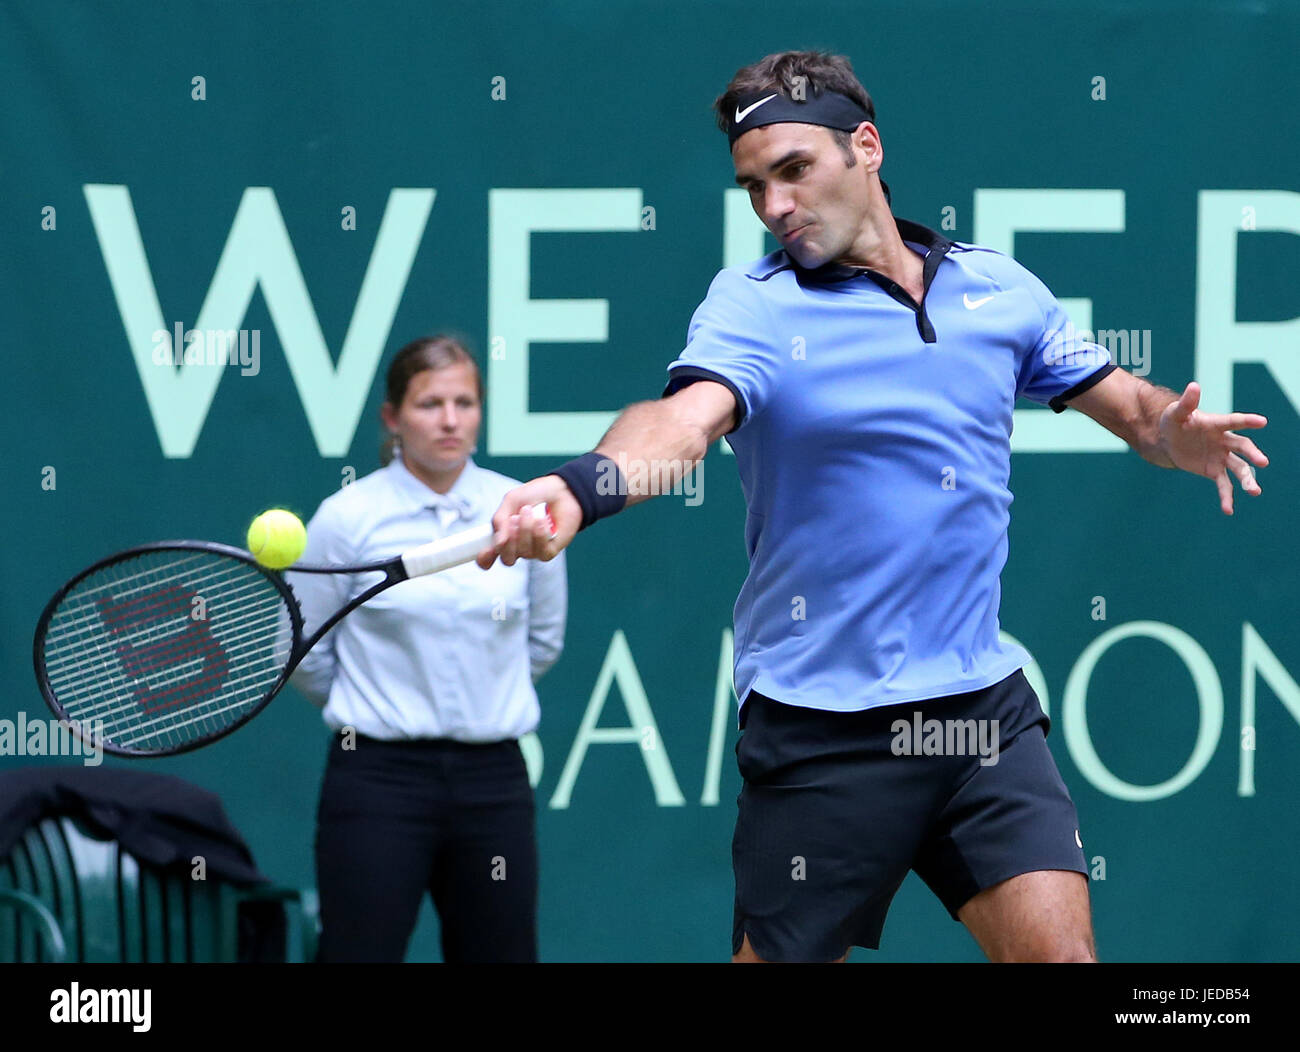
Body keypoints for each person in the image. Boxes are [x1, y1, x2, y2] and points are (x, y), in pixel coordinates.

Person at [474, 50, 1270, 963]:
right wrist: (583, 489)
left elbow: (1134, 411)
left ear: (866, 146)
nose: (775, 206)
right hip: (823, 731)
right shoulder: (756, 307)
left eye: (794, 171)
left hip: (978, 713)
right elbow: (682, 426)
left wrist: (1178, 435)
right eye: (753, 186)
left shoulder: (998, 290)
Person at [288, 335, 567, 963]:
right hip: (377, 781)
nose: (449, 420)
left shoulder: (521, 509)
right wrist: (379, 707)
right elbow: (306, 650)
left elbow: (542, 642)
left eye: (465, 402)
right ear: (392, 417)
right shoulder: (345, 518)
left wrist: (480, 699)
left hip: (494, 782)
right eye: (429, 403)